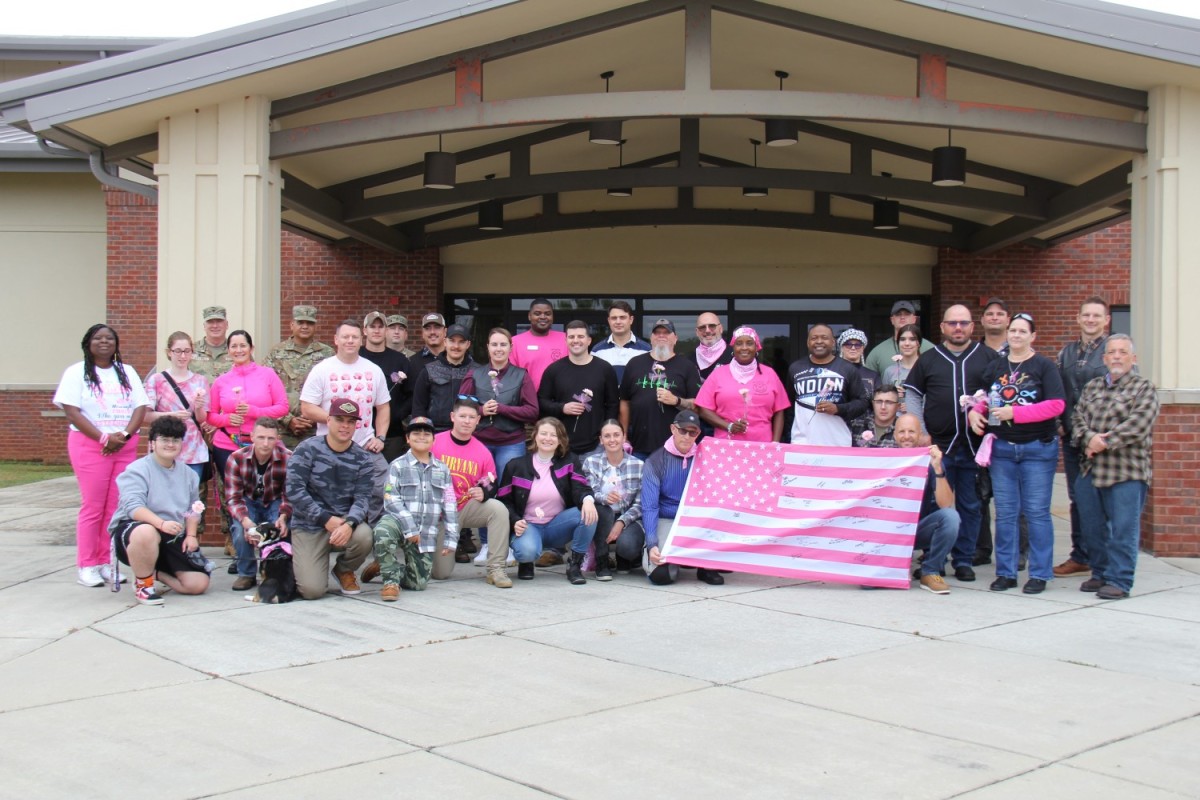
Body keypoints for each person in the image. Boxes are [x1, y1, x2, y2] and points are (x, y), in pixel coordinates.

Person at [968, 313, 1065, 595]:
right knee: (1006, 514)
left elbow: (1057, 405)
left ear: (1033, 336)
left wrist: (1016, 413)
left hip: (1037, 447)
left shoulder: (1044, 366)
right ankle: (1006, 573)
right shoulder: (997, 365)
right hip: (1002, 450)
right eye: (1013, 330)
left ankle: (1039, 573)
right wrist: (976, 412)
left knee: (1036, 513)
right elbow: (986, 397)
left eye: (1023, 331)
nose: (1017, 335)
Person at [903, 304, 999, 583]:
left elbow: (998, 397)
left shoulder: (988, 357)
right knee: (937, 507)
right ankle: (935, 558)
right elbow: (912, 395)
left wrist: (986, 418)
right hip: (939, 449)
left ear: (972, 326)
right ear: (943, 327)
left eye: (964, 323)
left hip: (974, 449)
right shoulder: (930, 359)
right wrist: (920, 430)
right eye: (952, 323)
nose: (958, 328)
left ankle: (964, 560)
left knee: (971, 506)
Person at [55, 323, 150, 588]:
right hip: (90, 445)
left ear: (116, 344)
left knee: (115, 507)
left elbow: (140, 406)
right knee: (93, 507)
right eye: (98, 338)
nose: (105, 342)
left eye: (110, 338)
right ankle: (87, 565)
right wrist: (103, 438)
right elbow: (72, 411)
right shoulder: (76, 372)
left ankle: (108, 562)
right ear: (88, 343)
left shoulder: (126, 371)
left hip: (124, 445)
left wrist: (126, 437)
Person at [1070, 334, 1159, 600]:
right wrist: (1089, 439)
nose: (1117, 356)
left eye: (1123, 352)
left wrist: (1102, 442)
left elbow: (1138, 425)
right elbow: (1078, 418)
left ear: (1133, 358)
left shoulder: (1144, 388)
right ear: (1105, 358)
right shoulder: (1093, 387)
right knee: (1092, 527)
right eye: (1112, 352)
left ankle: (1119, 580)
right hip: (1091, 470)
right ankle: (1100, 574)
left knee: (1123, 528)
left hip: (1126, 472)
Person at [109, 416, 211, 605]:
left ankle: (153, 572)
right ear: (153, 443)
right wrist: (160, 523)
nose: (170, 444)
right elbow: (133, 507)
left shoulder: (189, 474)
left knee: (198, 584)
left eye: (175, 440)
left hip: (171, 535)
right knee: (146, 532)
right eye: (164, 439)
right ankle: (144, 585)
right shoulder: (137, 470)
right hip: (136, 532)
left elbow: (193, 508)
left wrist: (191, 535)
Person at [457, 326, 538, 565]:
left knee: (510, 493)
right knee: (483, 493)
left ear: (511, 348)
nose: (499, 349)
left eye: (503, 344)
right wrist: (481, 410)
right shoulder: (475, 374)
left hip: (510, 442)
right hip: (481, 443)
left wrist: (503, 409)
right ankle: (486, 544)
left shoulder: (520, 375)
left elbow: (532, 411)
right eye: (494, 344)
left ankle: (510, 543)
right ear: (488, 348)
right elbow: (462, 406)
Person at [299, 319, 391, 525]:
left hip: (365, 445)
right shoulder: (322, 369)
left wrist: (381, 437)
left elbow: (383, 407)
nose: (350, 341)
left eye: (354, 337)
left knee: (383, 492)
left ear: (361, 340)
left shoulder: (373, 370)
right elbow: (306, 407)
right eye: (345, 337)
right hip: (328, 449)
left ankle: (379, 548)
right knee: (329, 497)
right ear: (336, 340)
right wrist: (337, 421)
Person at [284, 398, 376, 600]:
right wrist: (324, 519)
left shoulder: (363, 459)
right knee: (311, 591)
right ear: (329, 420)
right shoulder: (307, 449)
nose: (345, 426)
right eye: (340, 419)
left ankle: (343, 569)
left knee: (364, 536)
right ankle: (304, 563)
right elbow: (294, 490)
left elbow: (363, 499)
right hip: (309, 525)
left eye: (351, 422)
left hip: (342, 522)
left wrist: (350, 524)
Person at [497, 417, 598, 584]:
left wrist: (587, 500)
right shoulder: (515, 466)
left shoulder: (569, 461)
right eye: (543, 433)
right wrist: (515, 521)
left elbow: (581, 487)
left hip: (557, 526)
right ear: (535, 436)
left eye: (553, 435)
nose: (548, 438)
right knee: (527, 551)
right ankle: (526, 562)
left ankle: (574, 565)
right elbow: (504, 501)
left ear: (560, 440)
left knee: (589, 514)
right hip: (528, 525)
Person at [1054, 296, 1112, 578]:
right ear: (1078, 318)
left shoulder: (1113, 351)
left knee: (1102, 498)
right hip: (1072, 438)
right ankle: (1081, 555)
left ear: (1106, 320)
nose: (1090, 320)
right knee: (1078, 497)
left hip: (1101, 441)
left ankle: (1105, 557)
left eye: (1096, 316)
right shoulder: (1066, 353)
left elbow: (1124, 395)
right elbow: (1057, 391)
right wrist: (1058, 422)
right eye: (1086, 315)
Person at [430, 397, 513, 588]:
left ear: (478, 420)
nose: (467, 421)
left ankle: (496, 568)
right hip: (438, 514)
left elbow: (491, 483)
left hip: (464, 507)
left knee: (498, 509)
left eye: (471, 417)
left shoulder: (482, 451)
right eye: (462, 416)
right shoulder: (434, 442)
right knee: (440, 574)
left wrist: (484, 492)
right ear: (453, 417)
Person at [372, 416, 458, 601]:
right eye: (416, 433)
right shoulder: (396, 465)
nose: (421, 437)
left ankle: (386, 565)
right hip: (399, 524)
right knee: (383, 530)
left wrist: (452, 538)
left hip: (425, 532)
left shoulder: (443, 470)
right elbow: (390, 498)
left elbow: (450, 504)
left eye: (426, 434)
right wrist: (409, 527)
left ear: (434, 440)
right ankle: (390, 583)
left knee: (418, 584)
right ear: (407, 439)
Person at [641, 410, 723, 586]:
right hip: (667, 518)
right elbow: (650, 506)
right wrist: (652, 543)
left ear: (698, 434)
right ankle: (674, 559)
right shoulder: (655, 461)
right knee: (661, 576)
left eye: (692, 432)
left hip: (696, 520)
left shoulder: (706, 458)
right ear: (673, 429)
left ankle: (704, 567)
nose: (687, 436)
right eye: (682, 431)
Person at [206, 330, 289, 483]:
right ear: (228, 350)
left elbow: (283, 407)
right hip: (227, 445)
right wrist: (227, 419)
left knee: (264, 493)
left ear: (251, 348)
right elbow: (210, 415)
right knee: (235, 495)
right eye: (234, 346)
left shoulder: (268, 374)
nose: (238, 350)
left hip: (263, 444)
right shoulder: (221, 381)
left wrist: (255, 411)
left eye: (243, 346)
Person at [892, 414, 959, 595]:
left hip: (917, 530)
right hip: (888, 534)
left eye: (912, 431)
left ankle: (930, 571)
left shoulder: (929, 461)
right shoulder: (885, 460)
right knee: (867, 585)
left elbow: (946, 503)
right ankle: (893, 567)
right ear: (894, 435)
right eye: (902, 432)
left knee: (951, 517)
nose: (907, 436)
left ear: (920, 435)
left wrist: (937, 468)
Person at [224, 417, 292, 592]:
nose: (266, 443)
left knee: (280, 529)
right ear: (252, 436)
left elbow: (289, 494)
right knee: (240, 531)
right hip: (248, 501)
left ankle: (272, 573)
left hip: (275, 500)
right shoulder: (236, 458)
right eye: (261, 437)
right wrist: (246, 522)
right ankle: (246, 574)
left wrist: (283, 516)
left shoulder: (288, 458)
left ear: (277, 439)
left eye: (270, 438)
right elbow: (233, 498)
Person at [620, 318, 703, 459]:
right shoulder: (635, 364)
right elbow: (624, 402)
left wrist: (676, 401)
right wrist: (624, 435)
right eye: (657, 332)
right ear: (651, 339)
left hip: (675, 448)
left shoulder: (687, 367)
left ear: (675, 339)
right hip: (640, 446)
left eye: (666, 332)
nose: (661, 335)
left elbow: (698, 406)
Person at [538, 320, 620, 456]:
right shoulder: (554, 370)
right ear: (565, 341)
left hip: (596, 447)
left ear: (589, 340)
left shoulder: (604, 369)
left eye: (580, 337)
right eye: (571, 337)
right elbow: (541, 402)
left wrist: (605, 433)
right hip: (561, 445)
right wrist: (562, 408)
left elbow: (613, 404)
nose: (576, 341)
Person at [695, 325, 789, 442]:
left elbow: (779, 411)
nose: (744, 348)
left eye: (749, 343)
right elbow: (703, 409)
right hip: (726, 447)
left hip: (763, 447)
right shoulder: (718, 374)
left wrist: (775, 442)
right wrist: (728, 426)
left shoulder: (769, 374)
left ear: (756, 347)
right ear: (733, 347)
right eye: (739, 343)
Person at [143, 331, 210, 482]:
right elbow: (146, 416)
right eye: (177, 351)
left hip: (193, 451)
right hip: (164, 449)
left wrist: (199, 407)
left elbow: (202, 419)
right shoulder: (157, 380)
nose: (182, 356)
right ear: (169, 352)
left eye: (187, 351)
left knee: (190, 500)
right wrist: (172, 416)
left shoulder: (200, 381)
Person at [787, 323, 867, 446]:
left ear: (833, 342)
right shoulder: (795, 368)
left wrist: (838, 409)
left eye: (824, 337)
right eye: (814, 338)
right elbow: (790, 406)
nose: (819, 341)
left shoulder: (847, 369)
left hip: (837, 442)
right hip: (802, 442)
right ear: (808, 342)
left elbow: (862, 403)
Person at [265, 305, 334, 447]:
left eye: (309, 323)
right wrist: (287, 420)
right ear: (291, 324)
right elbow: (264, 389)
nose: (305, 326)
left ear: (315, 326)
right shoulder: (276, 353)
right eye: (300, 322)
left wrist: (314, 417)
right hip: (283, 430)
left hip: (318, 430)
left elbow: (334, 390)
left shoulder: (328, 354)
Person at [582, 420, 644, 578]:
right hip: (601, 515)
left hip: (627, 516)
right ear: (601, 440)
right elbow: (588, 491)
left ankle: (623, 558)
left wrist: (622, 521)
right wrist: (604, 498)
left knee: (628, 546)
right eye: (607, 436)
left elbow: (640, 503)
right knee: (602, 511)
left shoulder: (639, 465)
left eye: (616, 435)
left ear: (624, 437)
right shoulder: (591, 462)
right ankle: (601, 559)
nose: (612, 440)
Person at [359, 310, 414, 462]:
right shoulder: (356, 356)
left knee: (390, 482)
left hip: (392, 435)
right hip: (357, 434)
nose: (376, 330)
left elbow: (411, 394)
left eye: (381, 327)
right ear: (365, 330)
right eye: (372, 327)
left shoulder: (400, 360)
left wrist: (397, 415)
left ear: (386, 330)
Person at [411, 323, 476, 433]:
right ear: (445, 342)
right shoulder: (428, 370)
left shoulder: (477, 371)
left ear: (468, 344)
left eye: (461, 342)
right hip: (435, 431)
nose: (456, 346)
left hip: (468, 432)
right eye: (452, 341)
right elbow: (418, 407)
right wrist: (422, 432)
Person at [863, 300, 935, 376]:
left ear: (914, 319)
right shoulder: (877, 353)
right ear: (892, 320)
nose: (902, 317)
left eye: (907, 314)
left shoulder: (930, 349)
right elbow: (869, 383)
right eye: (898, 314)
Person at [509, 298, 568, 390]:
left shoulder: (566, 339)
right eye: (537, 313)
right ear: (529, 316)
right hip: (527, 399)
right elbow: (511, 376)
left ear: (552, 317)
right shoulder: (515, 342)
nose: (543, 317)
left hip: (558, 400)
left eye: (547, 314)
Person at [592, 300, 650, 383]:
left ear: (631, 320)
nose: (618, 322)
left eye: (622, 317)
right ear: (609, 320)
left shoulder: (646, 350)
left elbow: (650, 382)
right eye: (614, 318)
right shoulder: (597, 351)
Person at [191, 305, 233, 382]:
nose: (215, 326)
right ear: (204, 326)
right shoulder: (191, 350)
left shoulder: (237, 350)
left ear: (226, 324)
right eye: (210, 322)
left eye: (219, 321)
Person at [837, 328, 880, 397]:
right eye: (848, 344)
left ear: (863, 348)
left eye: (857, 345)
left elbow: (879, 400)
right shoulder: (833, 373)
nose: (853, 348)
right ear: (842, 348)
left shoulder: (873, 376)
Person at [691, 312, 733, 381]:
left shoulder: (735, 356)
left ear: (721, 329)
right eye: (702, 327)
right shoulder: (690, 361)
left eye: (712, 326)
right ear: (697, 332)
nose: (707, 330)